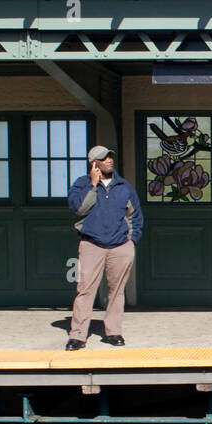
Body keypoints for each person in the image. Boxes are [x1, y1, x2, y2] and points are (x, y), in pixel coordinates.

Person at [65, 145, 143, 349]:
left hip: (120, 246)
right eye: (103, 158)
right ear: (94, 163)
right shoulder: (81, 185)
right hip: (91, 244)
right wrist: (93, 185)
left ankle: (113, 332)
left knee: (116, 292)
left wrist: (131, 241)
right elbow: (78, 208)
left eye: (110, 157)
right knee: (85, 290)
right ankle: (78, 335)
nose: (109, 160)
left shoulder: (124, 186)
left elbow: (135, 216)